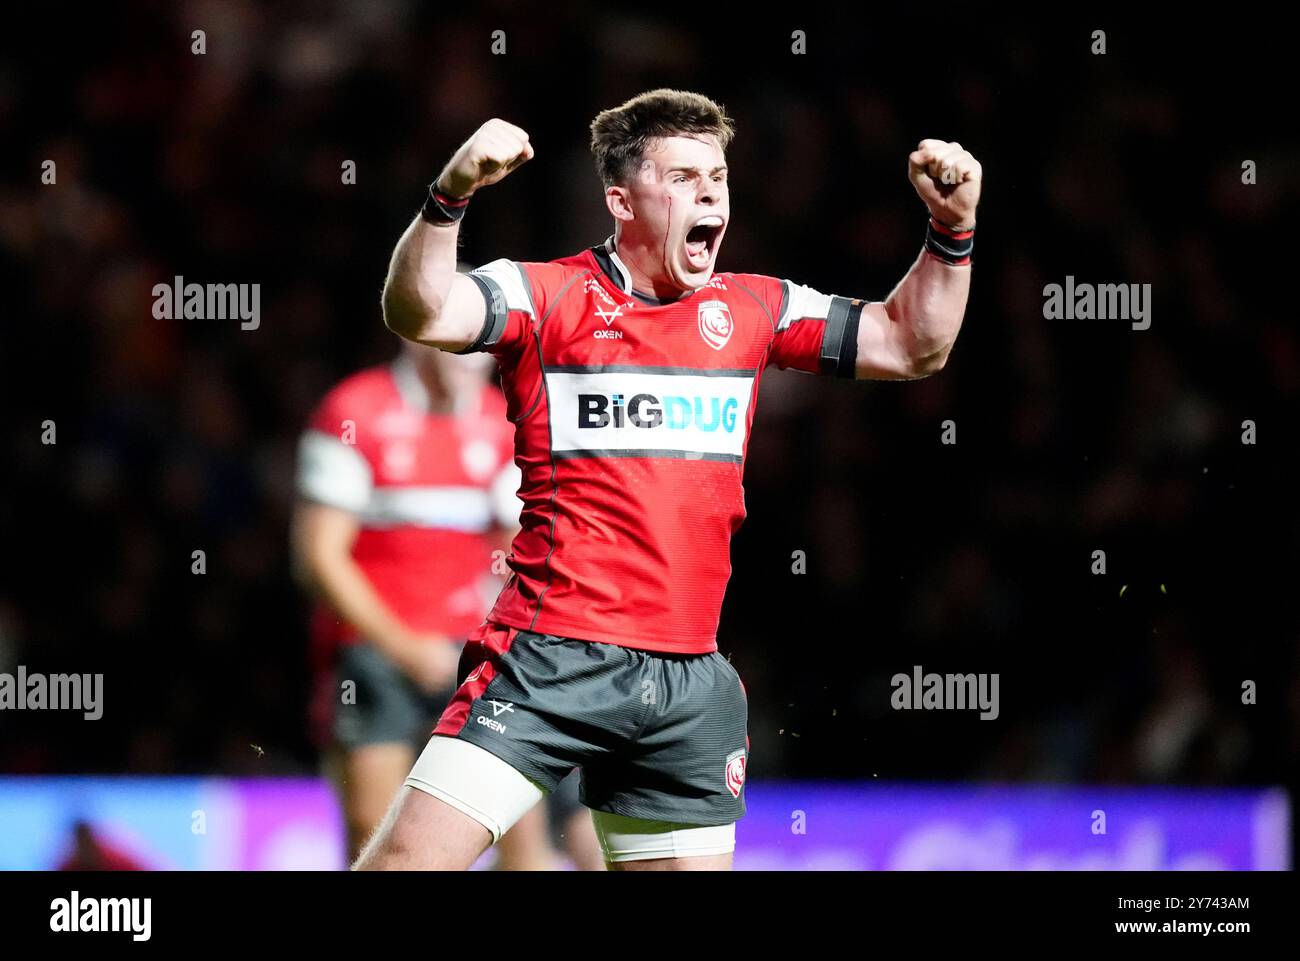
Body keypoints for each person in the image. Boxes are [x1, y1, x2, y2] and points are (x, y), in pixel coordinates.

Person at [356, 88, 980, 871]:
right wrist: (449, 197)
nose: (710, 193)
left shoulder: (755, 308)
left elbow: (911, 344)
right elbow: (419, 311)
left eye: (717, 177)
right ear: (621, 200)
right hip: (550, 657)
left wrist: (952, 232)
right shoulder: (544, 296)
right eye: (683, 177)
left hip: (689, 682)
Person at [293, 339, 599, 868]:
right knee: (372, 830)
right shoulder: (354, 411)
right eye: (455, 343)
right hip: (374, 655)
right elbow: (318, 557)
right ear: (416, 337)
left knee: (521, 840)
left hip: (475, 657)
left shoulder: (503, 422)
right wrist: (405, 648)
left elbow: (522, 551)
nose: (470, 358)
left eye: (479, 345)